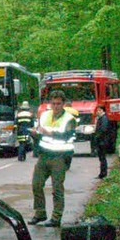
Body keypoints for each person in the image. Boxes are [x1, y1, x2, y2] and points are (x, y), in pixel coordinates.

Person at [29, 90, 76, 227]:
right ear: (50, 103)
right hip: (44, 155)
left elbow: (68, 136)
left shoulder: (69, 119)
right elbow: (40, 133)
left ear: (63, 104)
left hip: (59, 157)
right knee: (36, 184)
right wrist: (35, 134)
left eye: (59, 104)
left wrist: (51, 133)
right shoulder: (44, 116)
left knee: (57, 188)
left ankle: (56, 217)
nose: (56, 106)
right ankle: (40, 213)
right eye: (53, 103)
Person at [93, 105, 115, 178]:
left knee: (102, 158)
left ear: (102, 110)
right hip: (101, 141)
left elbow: (103, 129)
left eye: (99, 110)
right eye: (97, 110)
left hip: (102, 141)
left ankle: (103, 174)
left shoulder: (104, 118)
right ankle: (102, 173)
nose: (97, 112)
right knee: (101, 158)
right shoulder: (100, 118)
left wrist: (97, 136)